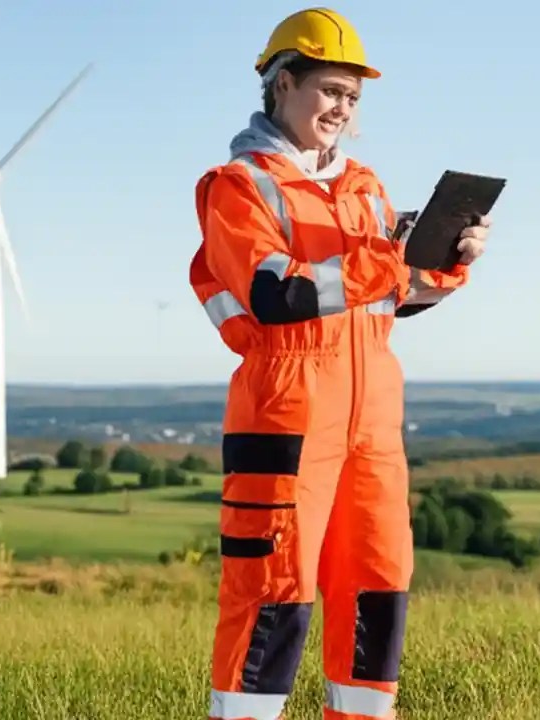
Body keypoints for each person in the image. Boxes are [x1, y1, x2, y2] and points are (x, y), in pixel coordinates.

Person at [188, 7, 490, 720]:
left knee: (377, 584)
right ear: (282, 83)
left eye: (353, 97)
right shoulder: (238, 185)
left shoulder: (366, 187)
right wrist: (387, 258)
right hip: (286, 411)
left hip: (373, 419)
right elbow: (277, 293)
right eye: (329, 90)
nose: (343, 108)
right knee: (273, 593)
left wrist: (447, 262)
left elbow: (390, 297)